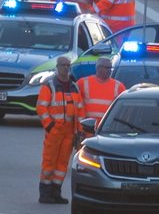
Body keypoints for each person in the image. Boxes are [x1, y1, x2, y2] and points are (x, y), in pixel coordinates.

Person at [36, 56, 81, 204]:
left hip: (69, 132)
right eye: (63, 65)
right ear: (57, 66)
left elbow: (80, 111)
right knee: (49, 162)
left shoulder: (74, 87)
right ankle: (45, 193)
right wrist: (49, 126)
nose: (65, 68)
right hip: (55, 131)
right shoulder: (49, 86)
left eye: (68, 65)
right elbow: (41, 107)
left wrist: (79, 132)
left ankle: (56, 192)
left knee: (62, 164)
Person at [77, 53, 127, 128]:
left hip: (107, 130)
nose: (109, 70)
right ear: (98, 68)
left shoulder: (119, 86)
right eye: (107, 68)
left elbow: (124, 110)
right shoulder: (83, 83)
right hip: (87, 129)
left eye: (110, 68)